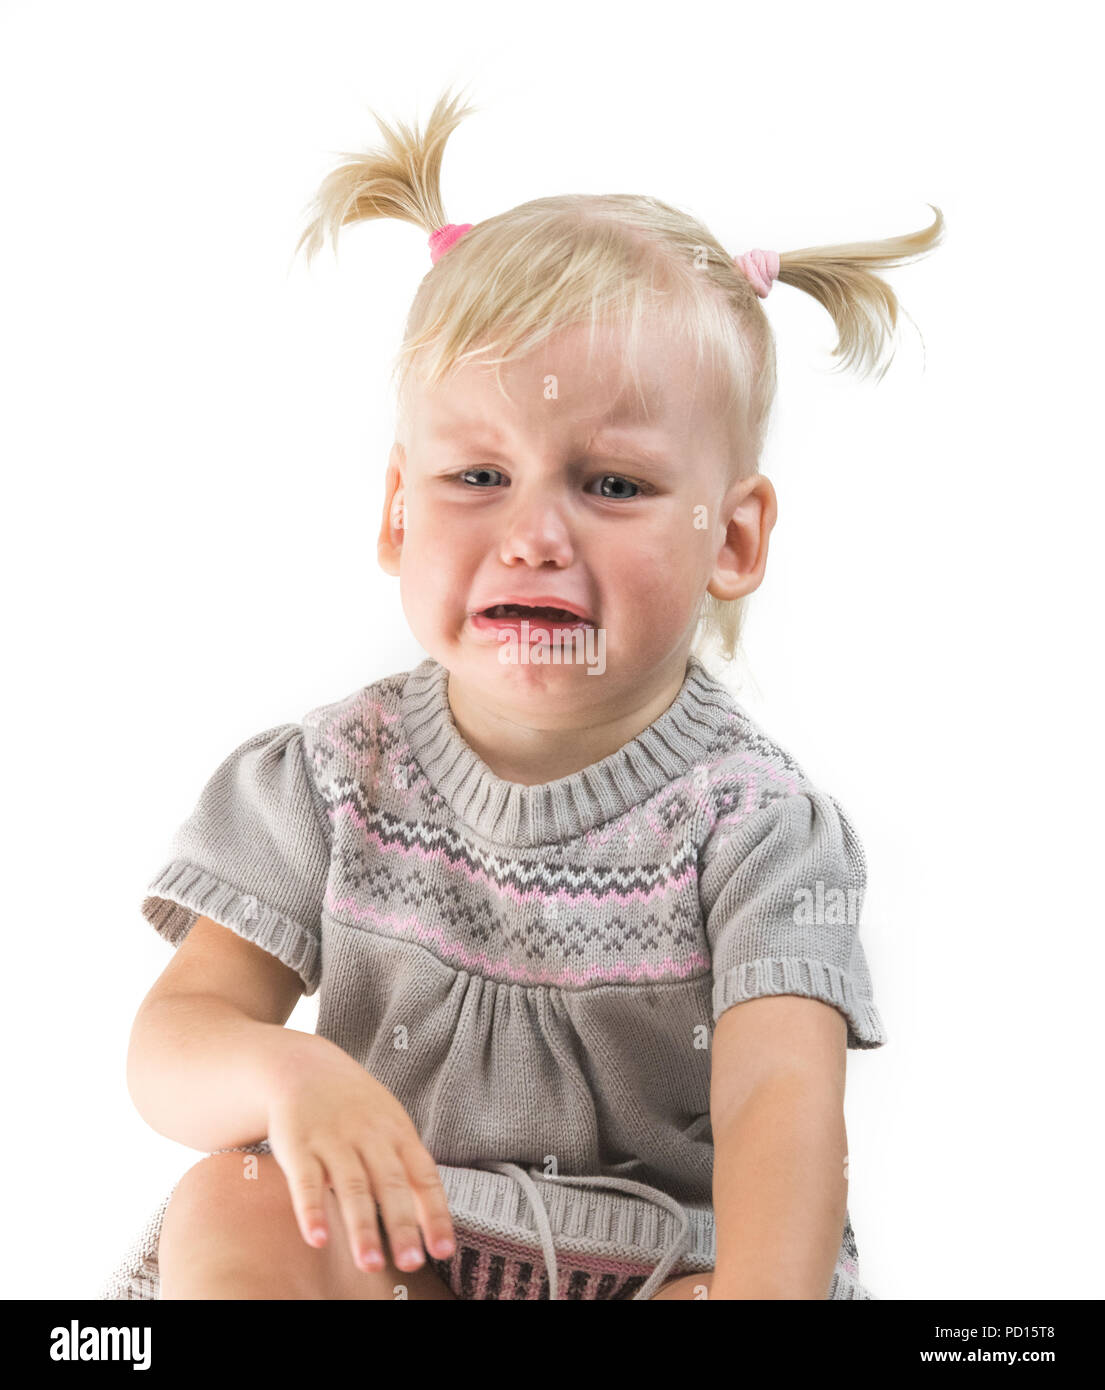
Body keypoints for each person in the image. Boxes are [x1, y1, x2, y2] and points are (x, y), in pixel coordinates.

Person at [102, 84, 942, 1301]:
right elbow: (170, 1044)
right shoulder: (335, 775)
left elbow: (781, 1105)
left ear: (735, 540)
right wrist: (289, 1076)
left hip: (660, 1266)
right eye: (479, 474)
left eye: (611, 485)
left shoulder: (756, 826)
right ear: (398, 511)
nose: (534, 533)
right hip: (404, 1240)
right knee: (231, 1204)